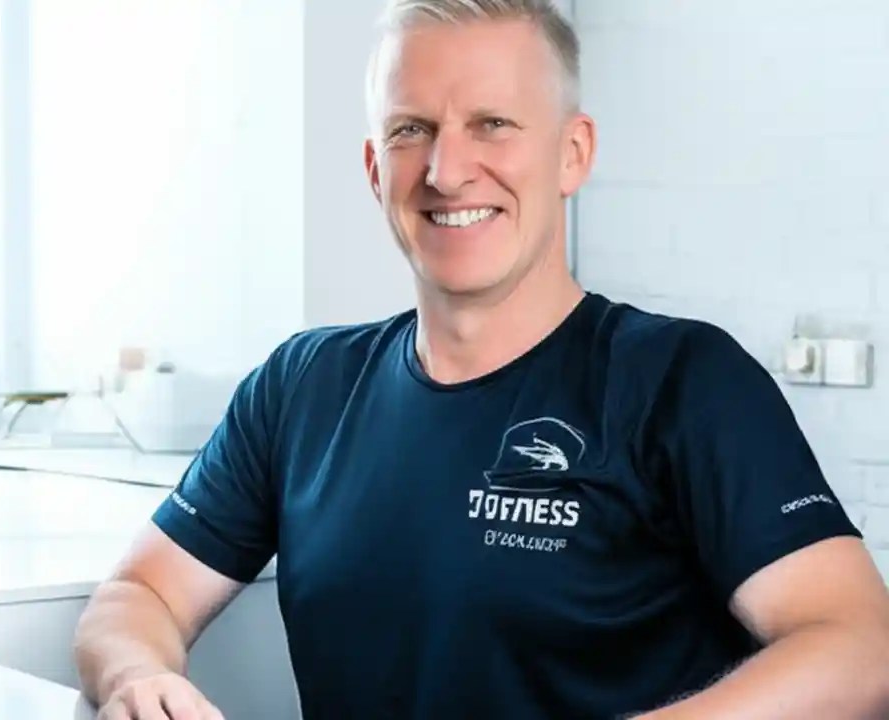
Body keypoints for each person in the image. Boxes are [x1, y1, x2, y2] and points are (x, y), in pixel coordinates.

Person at [73, 1, 889, 718]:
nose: (446, 171)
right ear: (374, 169)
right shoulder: (302, 388)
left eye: (492, 123)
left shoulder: (682, 381)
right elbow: (138, 594)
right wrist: (139, 675)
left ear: (573, 153)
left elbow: (859, 650)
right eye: (411, 130)